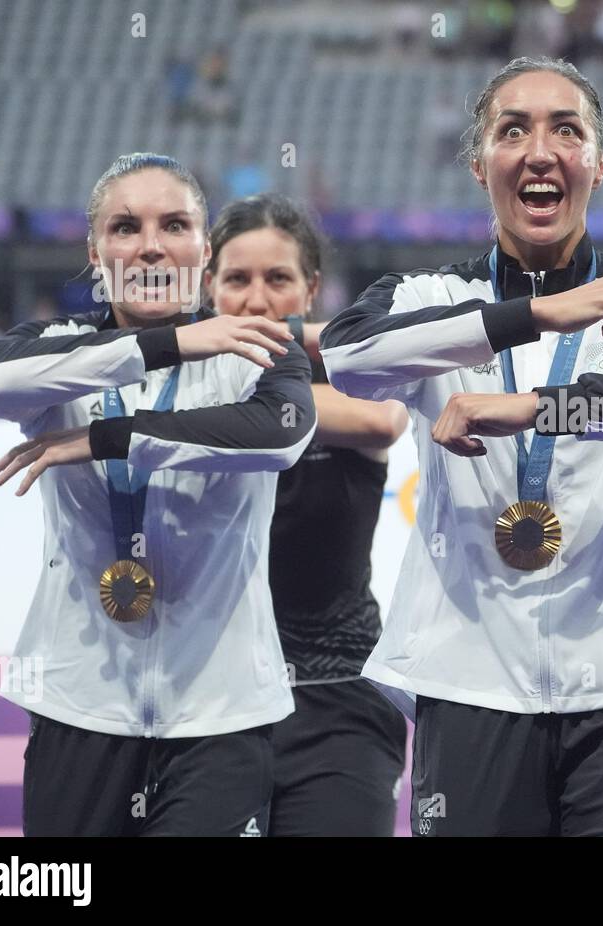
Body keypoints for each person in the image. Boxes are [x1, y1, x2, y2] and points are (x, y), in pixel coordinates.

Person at [319, 57, 603, 837]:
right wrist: (537, 316)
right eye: (511, 130)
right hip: (471, 681)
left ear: (599, 161)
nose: (540, 151)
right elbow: (350, 360)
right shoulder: (429, 299)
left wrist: (537, 408)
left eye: (568, 130)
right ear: (480, 162)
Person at [0, 153, 316, 836]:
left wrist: (109, 437)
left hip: (221, 716)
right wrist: (165, 344)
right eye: (126, 227)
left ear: (204, 247)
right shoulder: (59, 351)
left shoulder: (255, 350)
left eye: (175, 224)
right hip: (80, 707)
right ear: (95, 253)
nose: (151, 243)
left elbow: (280, 434)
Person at [205, 193, 410, 836]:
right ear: (209, 288)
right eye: (237, 280)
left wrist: (262, 356)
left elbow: (386, 420)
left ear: (312, 288)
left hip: (335, 702)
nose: (257, 300)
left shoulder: (356, 391)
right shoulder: (185, 393)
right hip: (212, 702)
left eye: (279, 280)